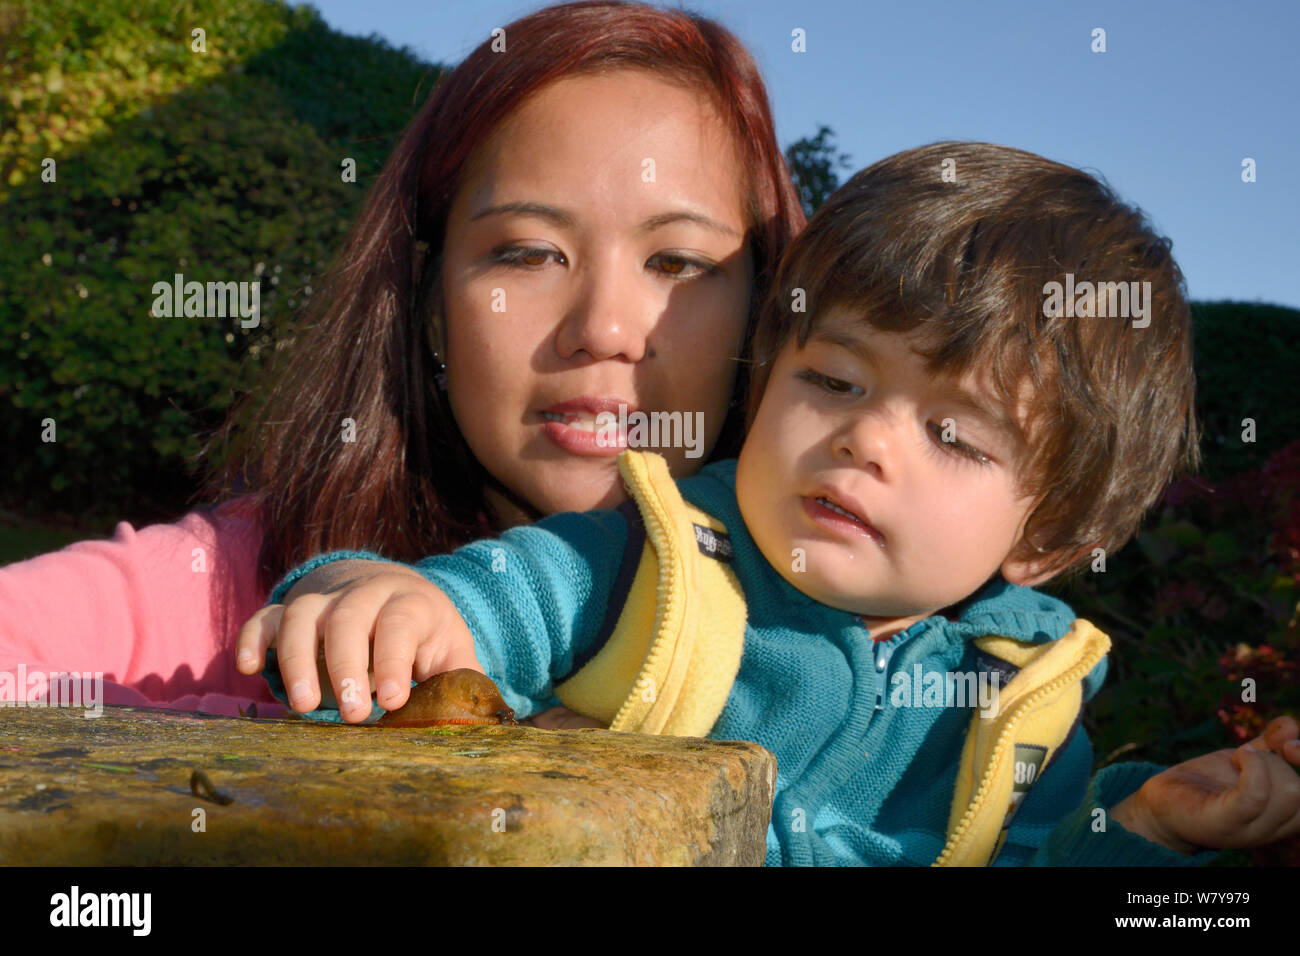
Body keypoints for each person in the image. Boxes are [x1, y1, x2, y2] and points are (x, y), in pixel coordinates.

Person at [241, 142, 1300, 865]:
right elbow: (502, 599)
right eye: (833, 381)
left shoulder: (1021, 702)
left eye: (952, 435)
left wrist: (1144, 825)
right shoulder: (662, 563)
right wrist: (381, 597)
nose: (866, 437)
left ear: (1054, 534)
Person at [0, 1, 803, 724]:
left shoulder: (849, 626)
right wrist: (298, 749)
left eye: (678, 263)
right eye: (528, 252)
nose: (602, 328)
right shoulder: (252, 575)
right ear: (430, 304)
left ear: (764, 307)